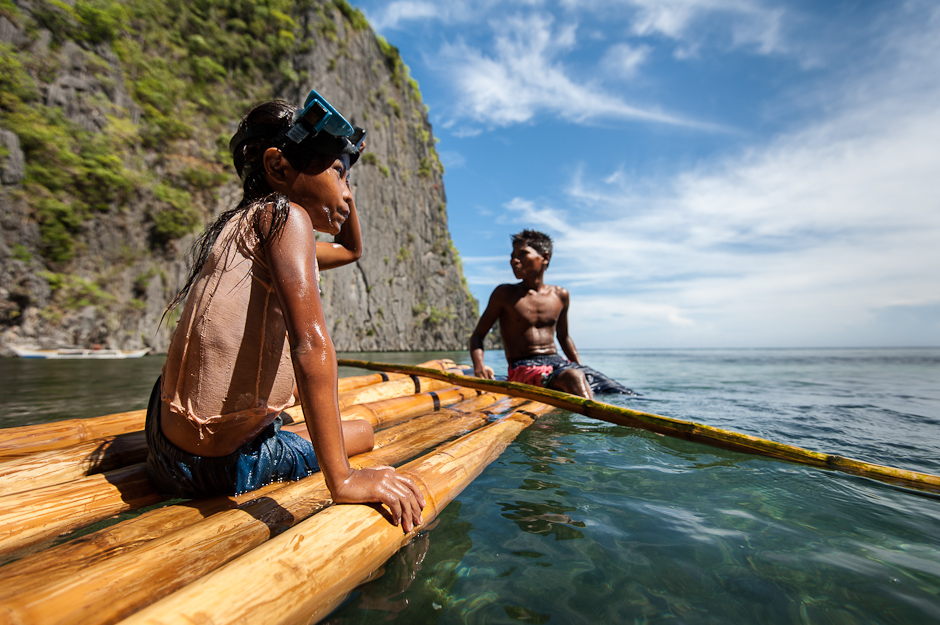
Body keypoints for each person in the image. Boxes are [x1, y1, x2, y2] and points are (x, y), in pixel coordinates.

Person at [145, 89, 424, 532]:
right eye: (338, 174)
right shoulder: (285, 217)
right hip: (208, 468)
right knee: (362, 432)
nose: (347, 194)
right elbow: (310, 345)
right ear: (278, 167)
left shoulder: (242, 225)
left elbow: (351, 251)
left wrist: (346, 168)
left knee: (293, 414)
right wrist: (343, 478)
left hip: (162, 442)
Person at [469, 229, 636, 398]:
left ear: (545, 257)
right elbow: (478, 336)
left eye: (522, 254)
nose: (514, 261)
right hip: (523, 367)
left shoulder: (560, 295)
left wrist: (580, 367)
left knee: (624, 392)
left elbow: (563, 337)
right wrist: (479, 367)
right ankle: (590, 415)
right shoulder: (504, 294)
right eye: (512, 256)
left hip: (558, 363)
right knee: (574, 377)